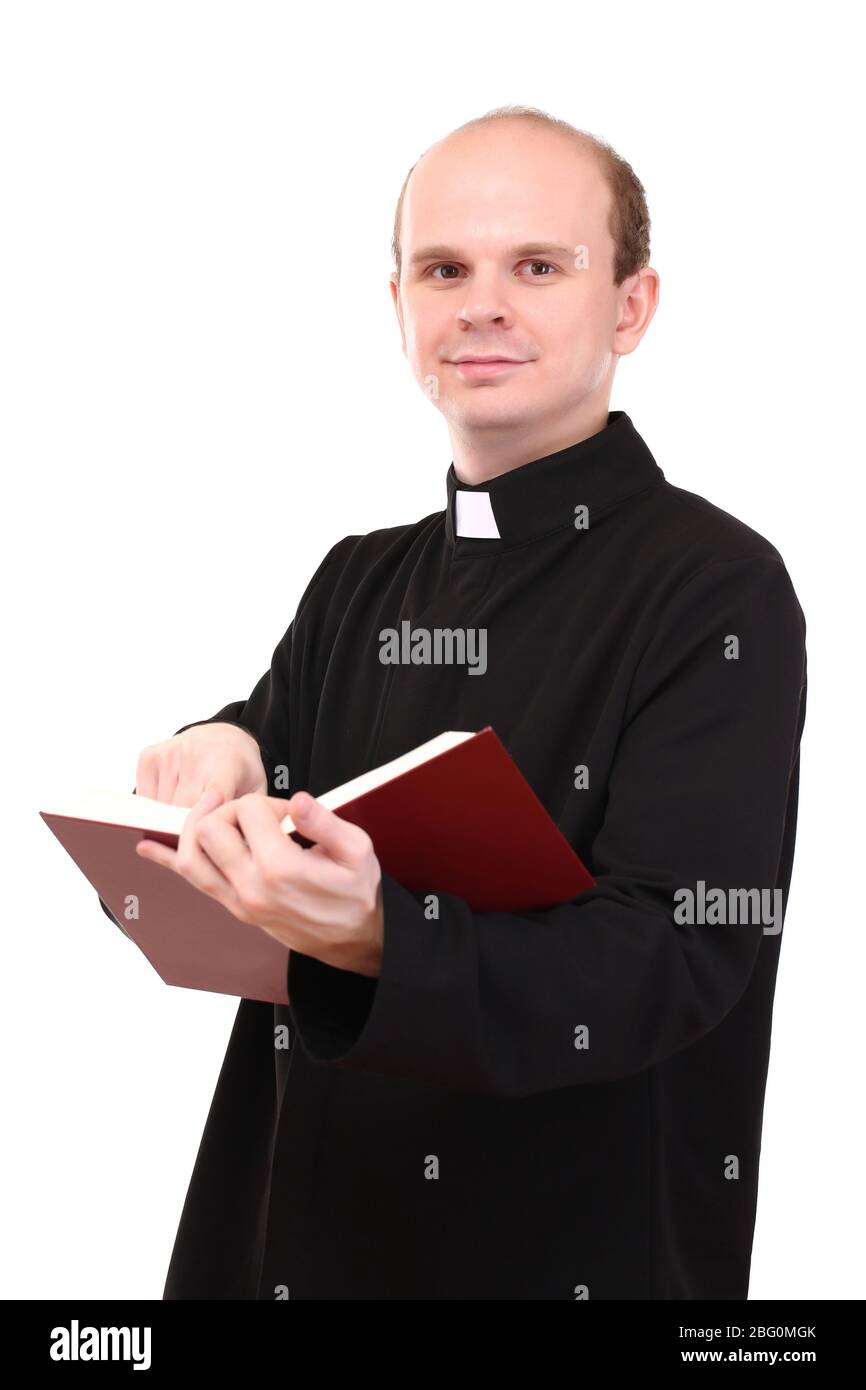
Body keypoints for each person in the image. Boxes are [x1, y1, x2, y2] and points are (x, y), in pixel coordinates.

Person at [106, 105, 807, 1299]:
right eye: (444, 269)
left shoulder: (716, 587)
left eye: (536, 265)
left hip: (564, 1244)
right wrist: (218, 744)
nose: (480, 303)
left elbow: (679, 954)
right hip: (302, 1224)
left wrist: (383, 934)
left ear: (629, 306)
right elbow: (273, 747)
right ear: (399, 312)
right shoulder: (360, 573)